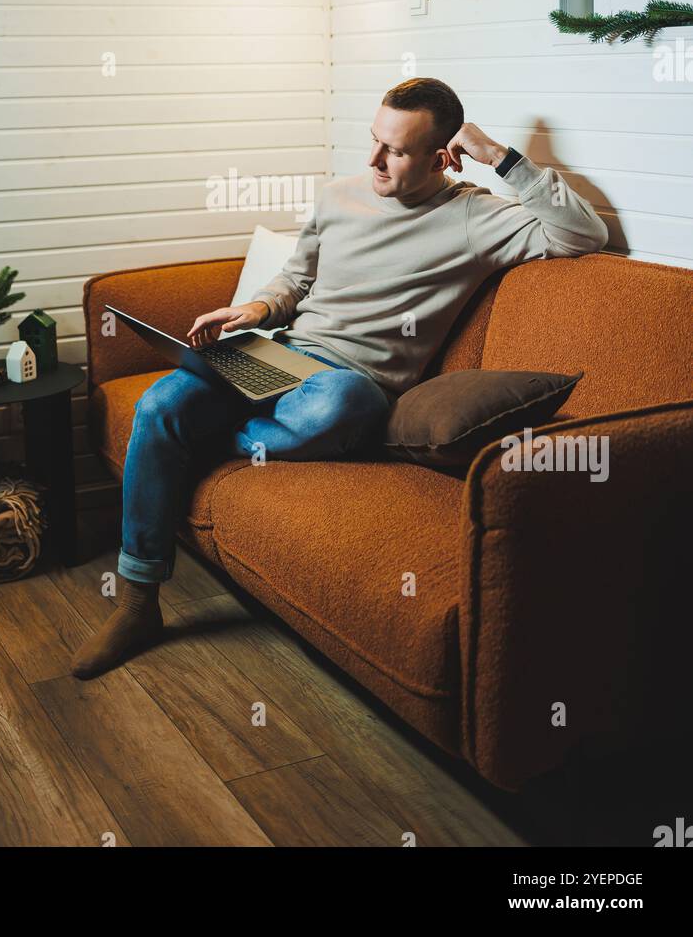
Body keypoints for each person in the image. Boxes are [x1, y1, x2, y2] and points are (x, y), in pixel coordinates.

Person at [71, 78, 608, 679]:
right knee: (158, 407)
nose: (374, 161)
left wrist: (499, 156)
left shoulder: (474, 218)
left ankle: (207, 441)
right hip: (276, 352)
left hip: (345, 381)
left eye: (395, 151)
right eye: (374, 141)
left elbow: (582, 234)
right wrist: (253, 311)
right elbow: (294, 283)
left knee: (342, 402)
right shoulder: (337, 198)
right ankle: (139, 601)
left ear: (440, 156)